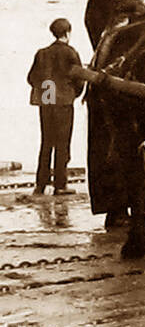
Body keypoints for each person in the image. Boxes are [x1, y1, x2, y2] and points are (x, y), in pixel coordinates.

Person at [27, 19, 84, 196]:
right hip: (64, 102)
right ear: (68, 33)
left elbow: (31, 78)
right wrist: (72, 94)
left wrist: (47, 91)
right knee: (62, 143)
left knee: (46, 142)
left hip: (47, 100)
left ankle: (41, 184)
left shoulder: (41, 53)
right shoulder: (70, 53)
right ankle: (60, 185)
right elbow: (80, 80)